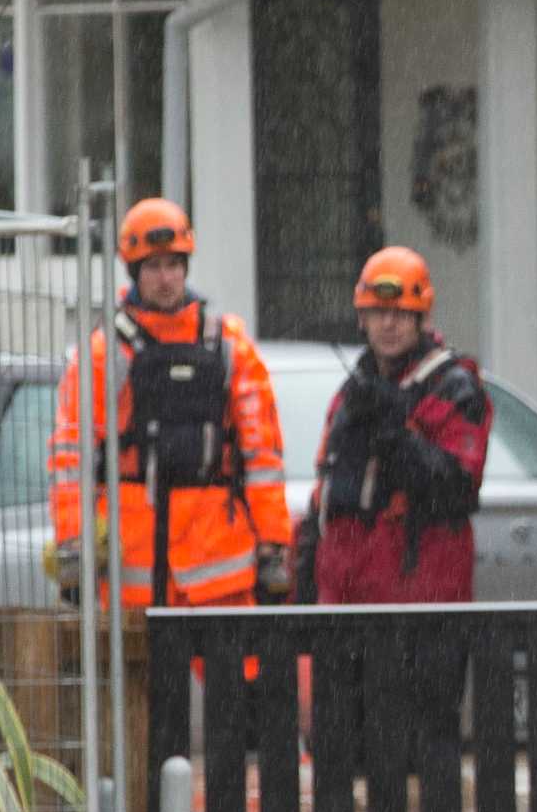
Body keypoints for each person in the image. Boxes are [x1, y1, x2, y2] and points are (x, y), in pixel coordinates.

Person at [48, 197, 292, 610]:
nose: (166, 278)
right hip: (134, 560)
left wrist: (273, 543)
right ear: (134, 272)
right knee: (135, 674)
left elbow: (262, 452)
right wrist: (72, 539)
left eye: (174, 265)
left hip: (218, 553)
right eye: (154, 267)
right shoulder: (104, 355)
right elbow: (72, 451)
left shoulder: (230, 348)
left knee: (236, 675)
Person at [301, 246, 492, 604]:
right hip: (344, 600)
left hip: (419, 601)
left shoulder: (455, 387)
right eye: (378, 313)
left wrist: (396, 438)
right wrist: (306, 567)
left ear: (422, 319)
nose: (388, 324)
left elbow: (459, 488)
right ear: (362, 319)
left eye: (402, 315)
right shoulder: (352, 392)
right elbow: (325, 489)